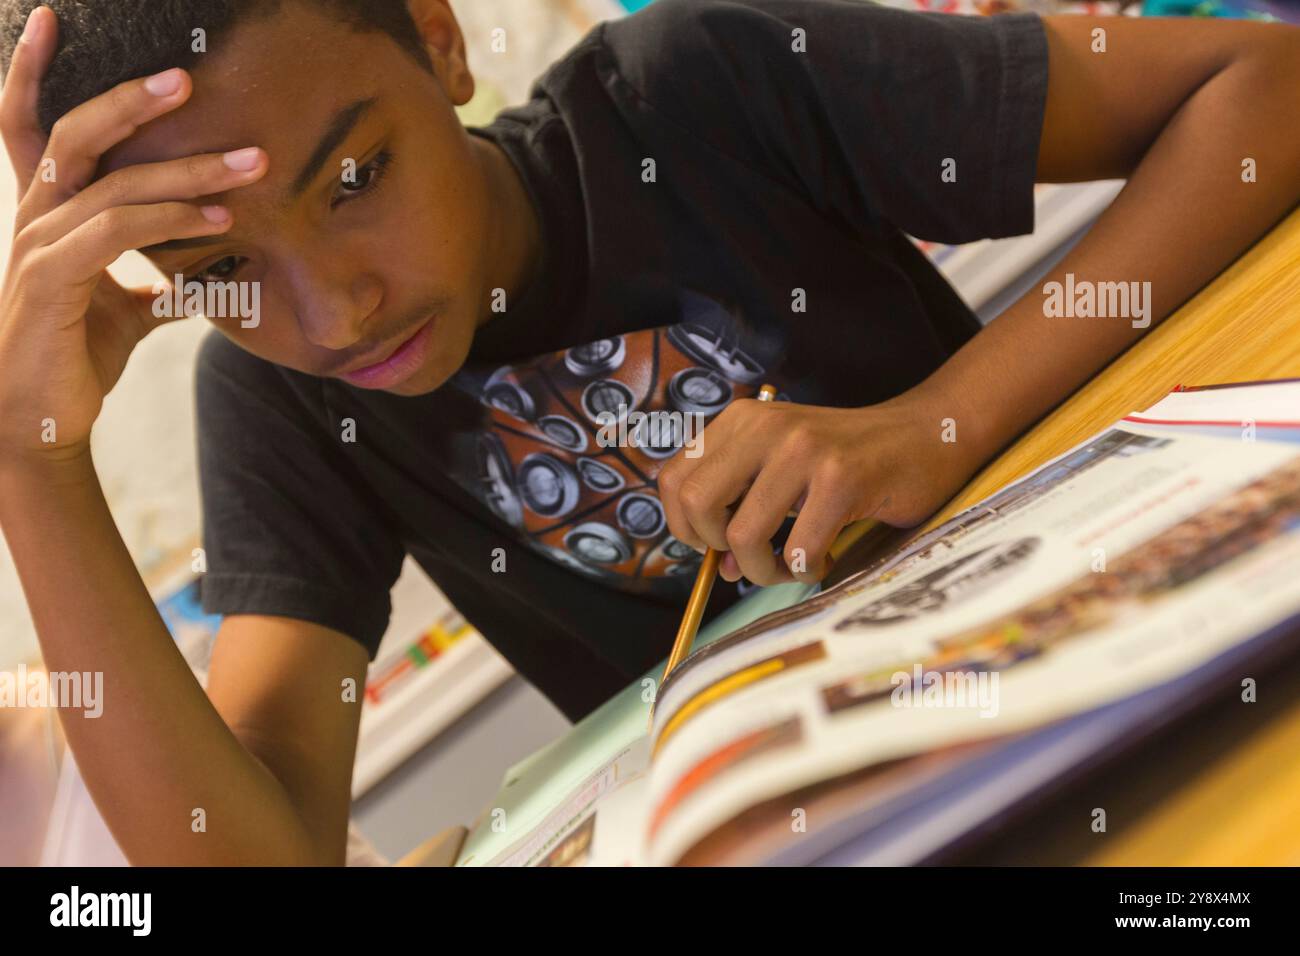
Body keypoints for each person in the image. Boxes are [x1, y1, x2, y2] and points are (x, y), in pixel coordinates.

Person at [0, 0, 1295, 865]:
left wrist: (932, 424)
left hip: (1120, 683)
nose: (332, 311)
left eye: (355, 179)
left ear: (441, 44)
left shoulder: (689, 93)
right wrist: (33, 462)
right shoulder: (278, 398)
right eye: (213, 262)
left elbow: (1263, 88)